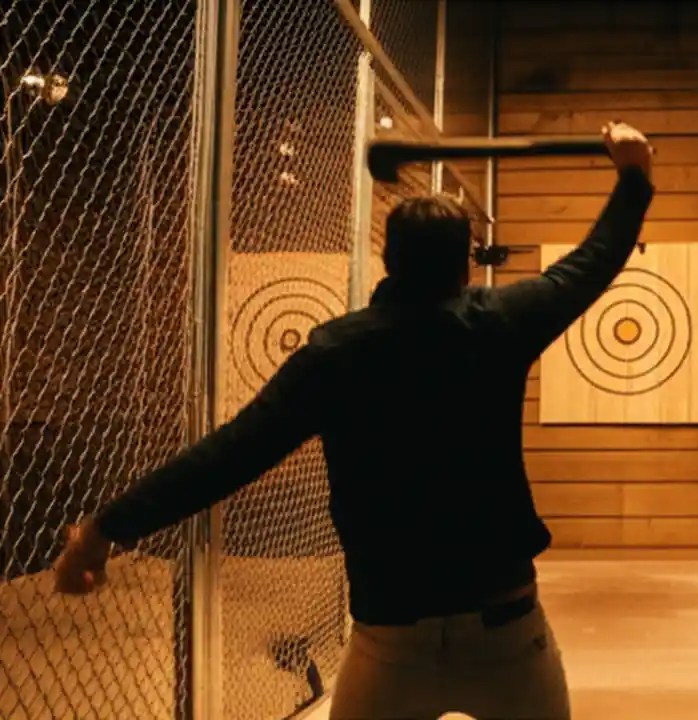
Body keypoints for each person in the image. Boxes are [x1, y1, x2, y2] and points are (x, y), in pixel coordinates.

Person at [51, 122, 656, 719]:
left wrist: (107, 527)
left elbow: (230, 455)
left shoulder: (334, 354)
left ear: (388, 261)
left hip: (389, 640)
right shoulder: (503, 323)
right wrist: (633, 176)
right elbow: (592, 264)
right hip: (506, 631)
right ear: (464, 268)